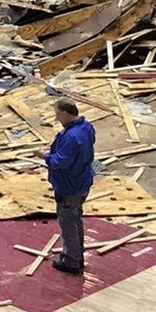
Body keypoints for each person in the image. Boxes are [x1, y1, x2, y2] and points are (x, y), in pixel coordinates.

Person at [44, 98, 96, 275]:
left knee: (68, 223)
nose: (56, 117)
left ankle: (71, 260)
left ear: (65, 113)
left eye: (57, 114)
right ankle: (77, 256)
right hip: (82, 180)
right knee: (75, 219)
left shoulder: (72, 136)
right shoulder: (86, 127)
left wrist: (45, 157)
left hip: (69, 185)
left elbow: (61, 162)